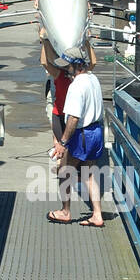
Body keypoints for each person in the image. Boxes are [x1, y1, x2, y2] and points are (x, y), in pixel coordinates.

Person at [48, 46, 106, 227]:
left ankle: (65, 212)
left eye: (68, 67)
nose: (66, 71)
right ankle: (97, 214)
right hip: (96, 131)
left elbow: (73, 118)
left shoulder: (76, 86)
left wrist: (62, 142)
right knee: (89, 174)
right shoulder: (94, 79)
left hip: (82, 135)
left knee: (65, 172)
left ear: (77, 65)